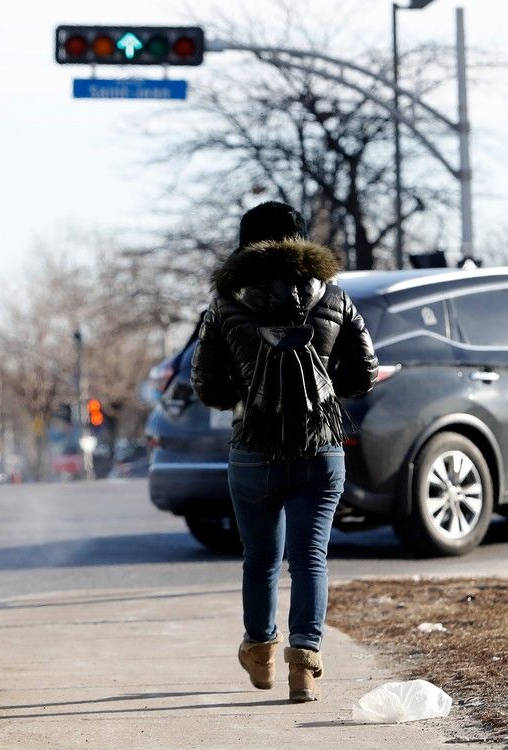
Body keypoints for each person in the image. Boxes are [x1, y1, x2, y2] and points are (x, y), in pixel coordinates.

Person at [191, 201, 378, 702]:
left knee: (260, 559)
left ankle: (260, 650)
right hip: (321, 451)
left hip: (252, 451)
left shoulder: (226, 304)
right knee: (310, 558)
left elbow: (206, 385)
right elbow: (364, 372)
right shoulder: (334, 297)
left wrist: (243, 387)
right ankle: (304, 659)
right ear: (301, 243)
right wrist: (325, 386)